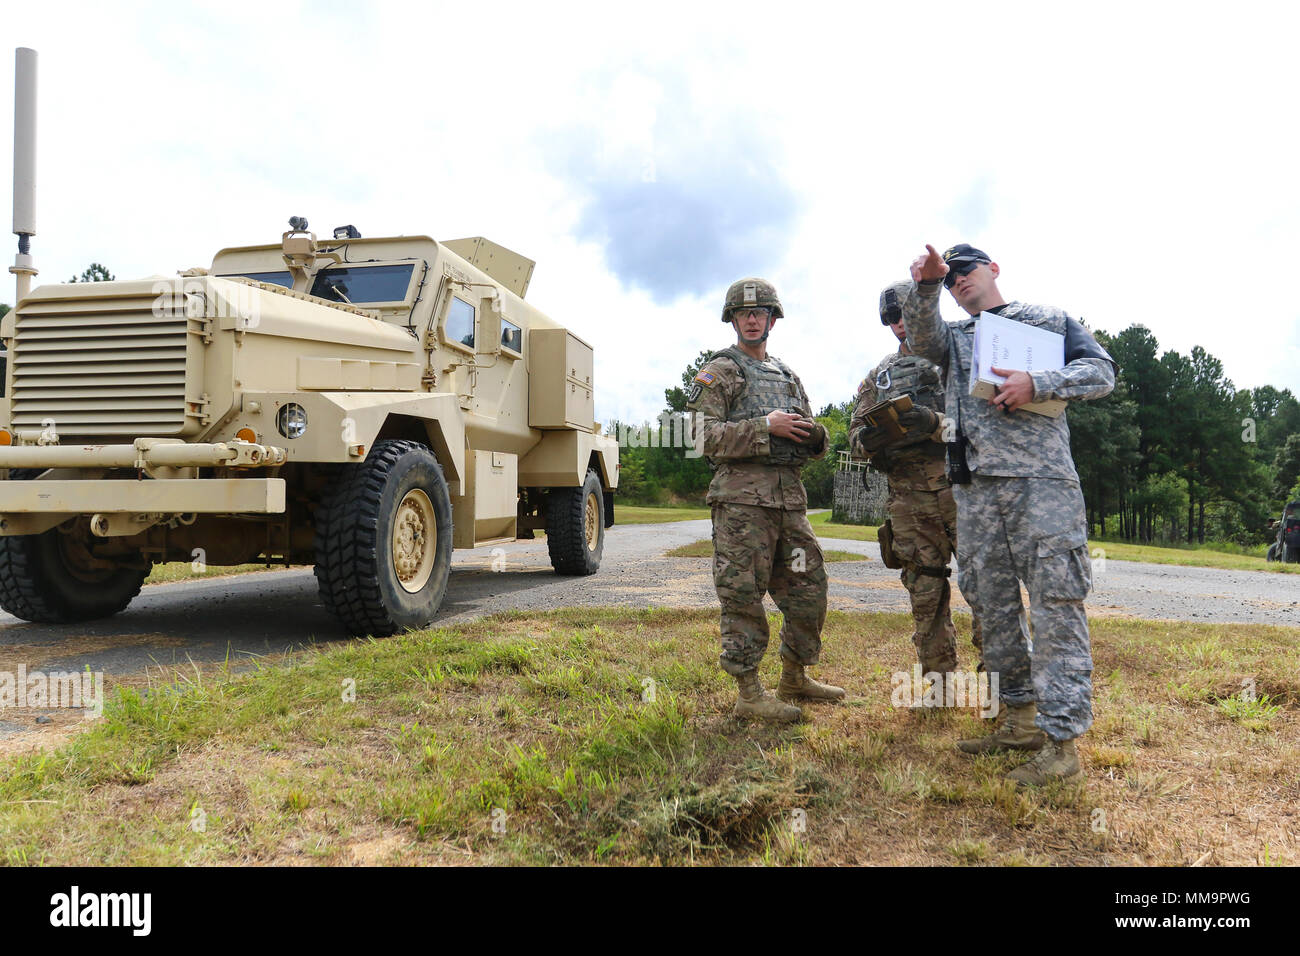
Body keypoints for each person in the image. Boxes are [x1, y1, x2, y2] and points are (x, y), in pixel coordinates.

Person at [903, 243, 1116, 786]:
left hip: (1040, 484)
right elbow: (921, 340)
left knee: (1055, 606)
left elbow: (1101, 372)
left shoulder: (1046, 320)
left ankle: (1063, 746)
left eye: (964, 272)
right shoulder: (952, 336)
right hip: (975, 489)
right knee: (992, 609)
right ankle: (1018, 721)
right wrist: (927, 287)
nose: (959, 283)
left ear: (993, 268)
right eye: (950, 281)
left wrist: (1039, 383)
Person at [687, 277, 845, 722]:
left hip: (789, 504)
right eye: (743, 313)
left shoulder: (787, 375)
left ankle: (794, 676)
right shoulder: (720, 371)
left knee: (809, 587)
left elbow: (812, 434)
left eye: (760, 313)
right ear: (732, 319)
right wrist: (763, 427)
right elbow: (698, 437)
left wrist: (816, 436)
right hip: (742, 507)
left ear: (773, 319)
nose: (752, 319)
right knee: (742, 594)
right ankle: (749, 693)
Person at [850, 281, 982, 680]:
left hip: (963, 488)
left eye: (906, 313)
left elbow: (987, 427)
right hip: (908, 499)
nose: (900, 323)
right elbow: (855, 439)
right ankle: (939, 685)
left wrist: (934, 424)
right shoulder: (879, 378)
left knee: (987, 589)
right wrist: (870, 439)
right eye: (891, 317)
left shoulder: (957, 359)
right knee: (925, 594)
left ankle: (1007, 697)